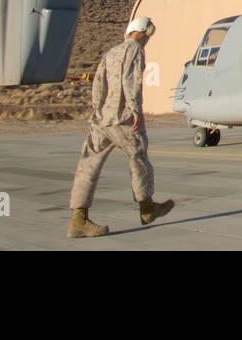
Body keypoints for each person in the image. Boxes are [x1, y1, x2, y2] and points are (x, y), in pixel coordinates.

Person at [67, 16, 174, 237]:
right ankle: (147, 207)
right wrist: (136, 111)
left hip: (101, 120)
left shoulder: (111, 52)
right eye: (148, 34)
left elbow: (97, 84)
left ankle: (78, 219)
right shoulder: (135, 49)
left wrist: (98, 110)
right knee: (139, 158)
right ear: (143, 31)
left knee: (88, 166)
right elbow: (130, 80)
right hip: (122, 118)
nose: (148, 39)